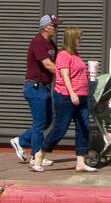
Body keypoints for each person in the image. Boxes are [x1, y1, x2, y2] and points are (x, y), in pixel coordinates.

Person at [31, 26, 96, 172]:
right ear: (72, 39)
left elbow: (76, 73)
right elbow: (65, 75)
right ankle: (40, 154)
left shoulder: (76, 55)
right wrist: (72, 93)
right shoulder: (63, 55)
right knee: (60, 128)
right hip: (66, 97)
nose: (80, 41)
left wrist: (87, 75)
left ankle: (81, 162)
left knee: (84, 127)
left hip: (82, 96)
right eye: (78, 38)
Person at [10, 15, 59, 166]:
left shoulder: (51, 44)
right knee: (39, 123)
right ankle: (35, 155)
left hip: (45, 87)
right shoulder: (38, 42)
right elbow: (48, 64)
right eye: (54, 26)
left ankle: (21, 141)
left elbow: (57, 62)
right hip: (35, 87)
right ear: (45, 27)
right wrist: (66, 74)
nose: (56, 29)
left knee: (47, 121)